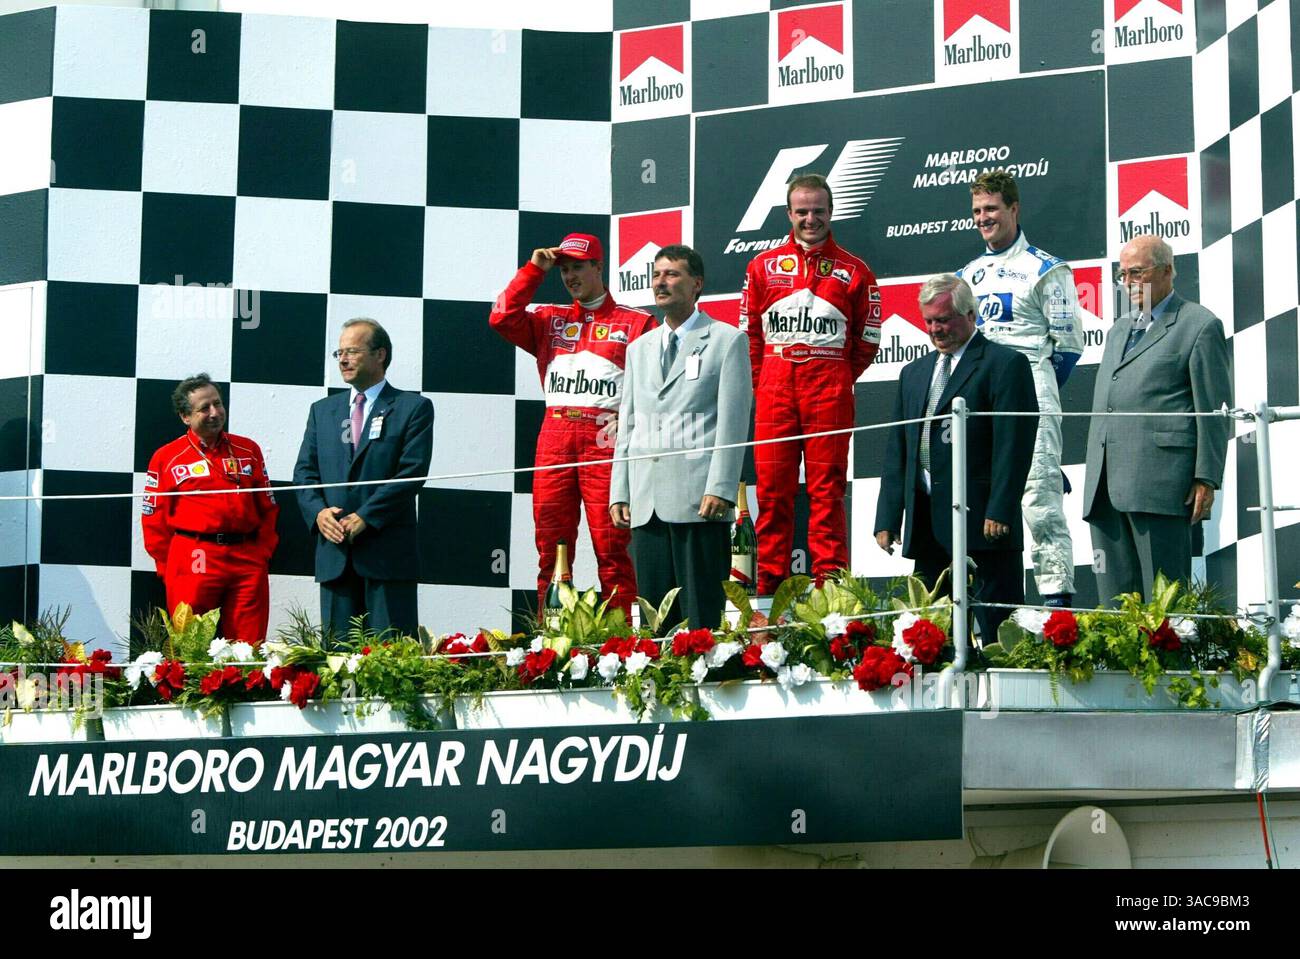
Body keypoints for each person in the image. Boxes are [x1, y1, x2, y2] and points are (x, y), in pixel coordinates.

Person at [490, 233, 656, 620]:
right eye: (564, 269)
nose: (570, 276)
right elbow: (501, 316)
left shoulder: (636, 322)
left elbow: (653, 392)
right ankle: (554, 638)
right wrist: (534, 271)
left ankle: (623, 640)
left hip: (606, 439)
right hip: (555, 437)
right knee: (551, 545)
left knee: (613, 545)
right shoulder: (549, 319)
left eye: (578, 267)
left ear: (599, 267)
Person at [874, 275, 1038, 643]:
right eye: (929, 321)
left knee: (1001, 633)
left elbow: (1015, 445)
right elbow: (898, 450)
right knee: (933, 635)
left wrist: (1000, 507)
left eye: (944, 319)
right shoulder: (913, 373)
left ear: (970, 314)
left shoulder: (1005, 364)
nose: (936, 329)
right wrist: (888, 517)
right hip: (928, 525)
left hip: (984, 523)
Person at [742, 173, 881, 594]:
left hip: (829, 392)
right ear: (788, 213)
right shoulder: (762, 266)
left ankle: (830, 595)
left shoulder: (856, 270)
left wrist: (835, 377)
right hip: (775, 393)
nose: (810, 219)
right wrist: (765, 382)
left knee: (827, 494)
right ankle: (767, 595)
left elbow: (868, 340)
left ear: (831, 212)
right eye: (801, 211)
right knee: (772, 496)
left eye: (818, 211)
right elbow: (750, 334)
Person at [1082, 234, 1232, 603]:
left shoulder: (1199, 325)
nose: (1128, 283)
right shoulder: (1119, 329)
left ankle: (1173, 664)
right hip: (1104, 484)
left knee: (1166, 608)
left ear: (1167, 271)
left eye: (1137, 273)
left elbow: (1214, 409)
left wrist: (1206, 477)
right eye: (1123, 274)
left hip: (1161, 484)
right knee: (1115, 608)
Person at [958, 171, 1084, 608]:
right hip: (978, 402)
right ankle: (991, 610)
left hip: (1031, 391)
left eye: (991, 208)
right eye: (976, 211)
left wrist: (1029, 394)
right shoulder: (965, 277)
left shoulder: (1050, 270)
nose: (983, 218)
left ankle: (1057, 608)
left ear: (1014, 209)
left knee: (1039, 499)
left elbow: (1068, 347)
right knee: (978, 499)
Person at [611, 245, 752, 630]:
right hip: (646, 499)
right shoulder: (638, 348)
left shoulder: (726, 340)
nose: (661, 282)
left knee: (701, 616)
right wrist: (619, 491)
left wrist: (721, 487)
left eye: (672, 274)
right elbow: (628, 423)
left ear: (697, 284)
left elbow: (733, 422)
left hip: (699, 500)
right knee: (655, 622)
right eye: (656, 274)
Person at [293, 318, 433, 640]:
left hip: (387, 555)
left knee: (391, 662)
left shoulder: (414, 408)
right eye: (339, 352)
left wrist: (367, 517)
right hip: (335, 555)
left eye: (352, 351)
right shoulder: (322, 410)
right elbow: (304, 473)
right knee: (338, 664)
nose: (342, 359)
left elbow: (412, 473)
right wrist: (318, 513)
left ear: (380, 354)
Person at [142, 374, 277, 643]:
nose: (215, 412)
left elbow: (268, 507)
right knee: (192, 646)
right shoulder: (166, 457)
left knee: (249, 647)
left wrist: (261, 553)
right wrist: (169, 568)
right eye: (204, 408)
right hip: (193, 557)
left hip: (247, 558)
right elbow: (153, 519)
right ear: (185, 416)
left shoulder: (248, 450)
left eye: (218, 404)